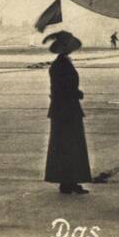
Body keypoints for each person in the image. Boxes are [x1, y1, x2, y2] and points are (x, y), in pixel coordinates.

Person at [43, 30, 91, 195]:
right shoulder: (61, 65)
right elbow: (62, 88)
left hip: (63, 109)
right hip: (66, 109)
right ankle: (68, 181)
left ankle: (69, 181)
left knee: (67, 146)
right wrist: (77, 93)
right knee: (69, 145)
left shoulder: (61, 63)